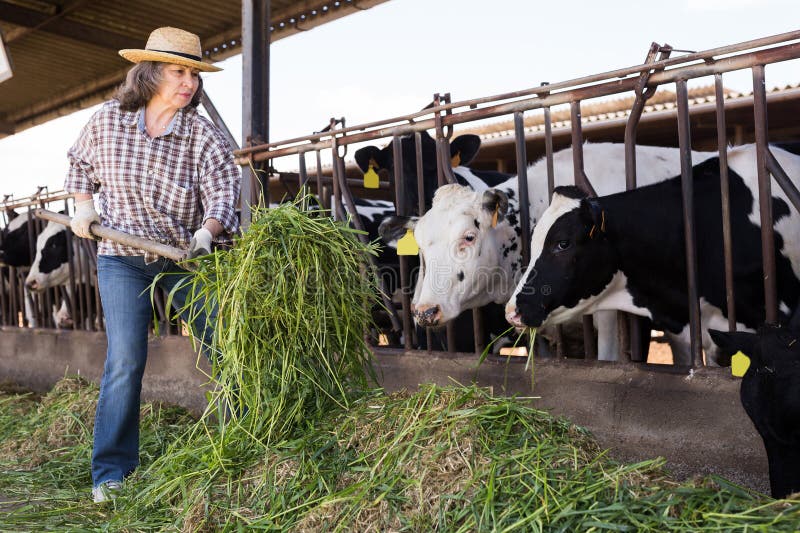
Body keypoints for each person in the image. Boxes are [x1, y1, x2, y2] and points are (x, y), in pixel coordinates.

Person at [64, 27, 240, 503]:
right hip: (121, 258)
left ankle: (242, 446)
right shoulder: (108, 121)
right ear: (150, 73)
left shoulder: (202, 134)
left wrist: (208, 233)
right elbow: (79, 166)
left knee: (224, 345)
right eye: (179, 72)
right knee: (125, 360)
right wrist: (84, 207)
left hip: (185, 257)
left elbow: (224, 192)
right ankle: (111, 474)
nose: (189, 83)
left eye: (194, 75)